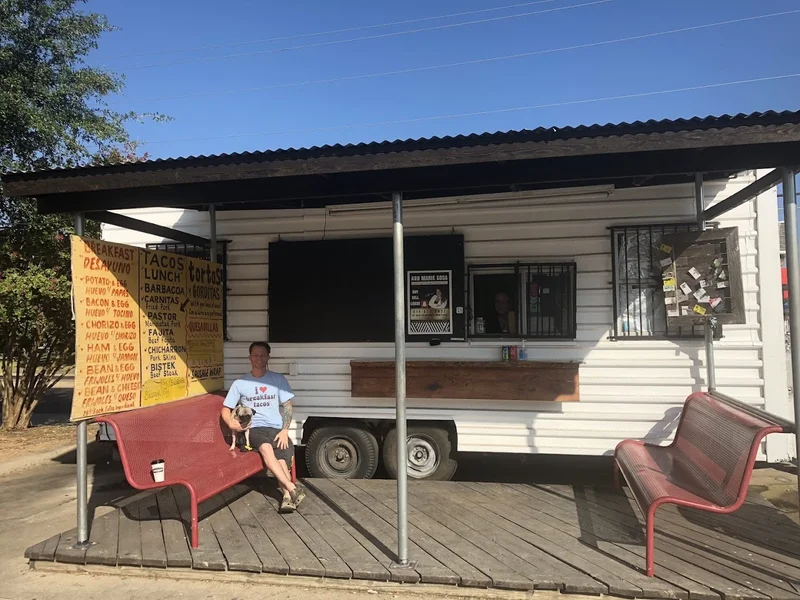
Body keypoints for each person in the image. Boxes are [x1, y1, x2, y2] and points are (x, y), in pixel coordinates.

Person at [221, 341, 305, 512]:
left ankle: (288, 497)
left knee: (281, 459)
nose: (259, 358)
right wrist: (231, 423)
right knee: (266, 448)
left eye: (262, 355)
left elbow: (288, 406)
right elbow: (225, 408)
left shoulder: (278, 379)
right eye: (255, 355)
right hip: (253, 428)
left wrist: (284, 430)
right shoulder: (240, 383)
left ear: (268, 357)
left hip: (276, 428)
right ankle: (292, 487)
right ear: (250, 357)